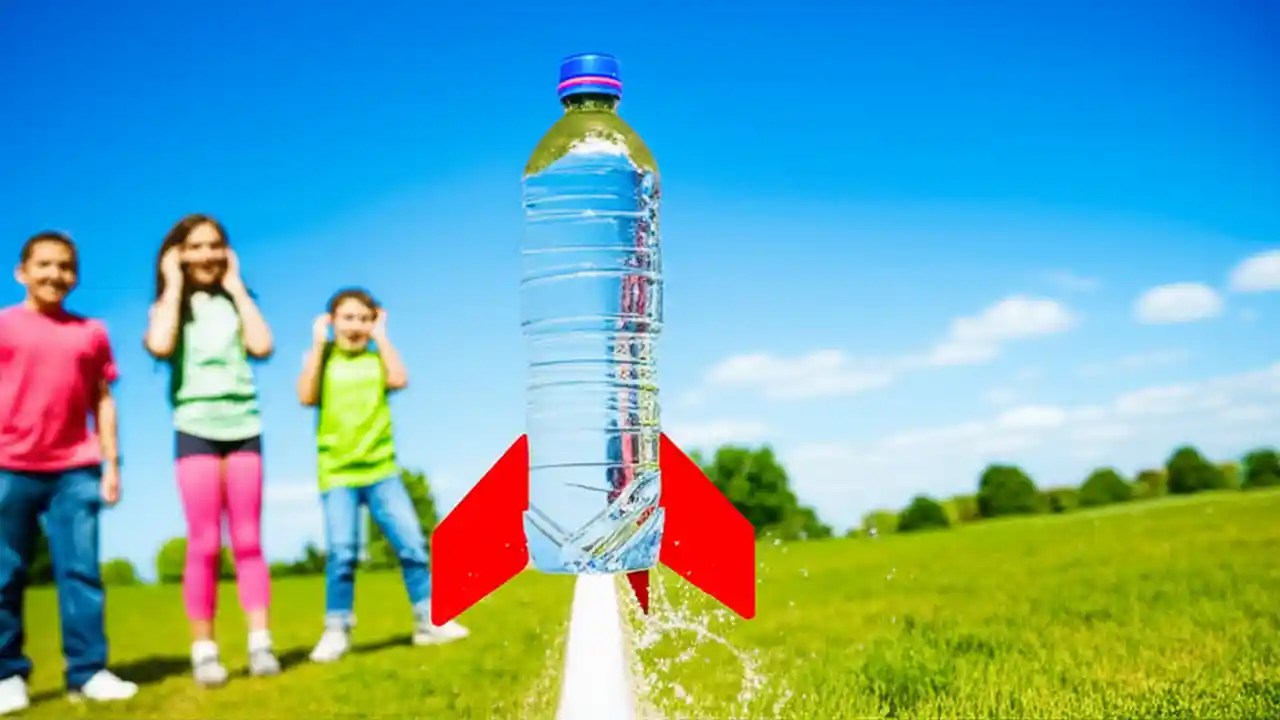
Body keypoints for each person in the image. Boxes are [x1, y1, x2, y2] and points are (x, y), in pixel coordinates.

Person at [0, 231, 140, 715]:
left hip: (76, 468)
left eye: (64, 266)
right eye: (44, 264)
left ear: (75, 276)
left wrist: (112, 463)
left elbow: (103, 400)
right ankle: (6, 675)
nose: (55, 274)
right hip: (8, 465)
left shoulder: (91, 332)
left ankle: (88, 671)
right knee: (4, 572)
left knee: (81, 572)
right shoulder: (3, 326)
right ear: (21, 272)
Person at [142, 214, 279, 686]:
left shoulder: (235, 302)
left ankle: (260, 644)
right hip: (194, 428)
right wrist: (172, 282)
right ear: (178, 254)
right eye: (196, 246)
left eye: (215, 245)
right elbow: (160, 344)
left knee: (248, 540)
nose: (207, 254)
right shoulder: (170, 307)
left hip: (244, 427)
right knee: (204, 542)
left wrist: (237, 286)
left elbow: (263, 345)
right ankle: (205, 652)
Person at [296, 288, 468, 663]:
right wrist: (317, 344)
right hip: (337, 473)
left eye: (364, 318)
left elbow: (400, 379)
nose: (356, 326)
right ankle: (337, 631)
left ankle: (428, 621)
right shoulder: (322, 359)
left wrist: (383, 337)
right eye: (348, 318)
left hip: (382, 470)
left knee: (412, 545)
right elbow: (306, 396)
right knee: (342, 554)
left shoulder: (377, 360)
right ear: (332, 322)